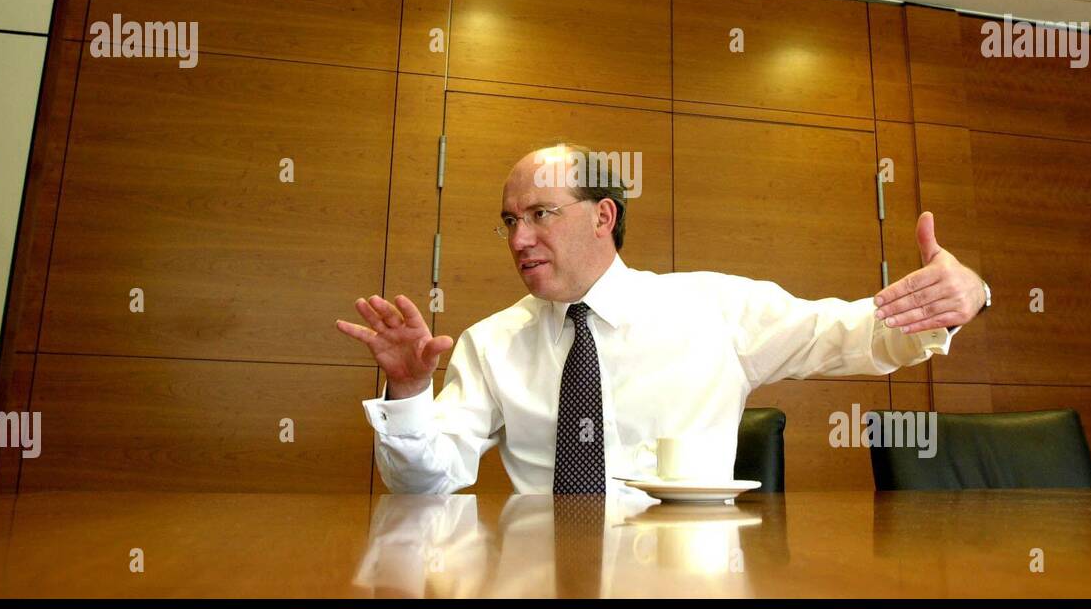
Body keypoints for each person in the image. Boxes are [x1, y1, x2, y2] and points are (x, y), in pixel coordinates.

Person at [336, 142, 988, 496]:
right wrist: (410, 393)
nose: (518, 237)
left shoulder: (715, 308)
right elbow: (423, 481)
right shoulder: (492, 342)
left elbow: (856, 335)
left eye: (540, 213)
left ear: (603, 216)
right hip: (538, 578)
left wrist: (965, 294)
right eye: (510, 220)